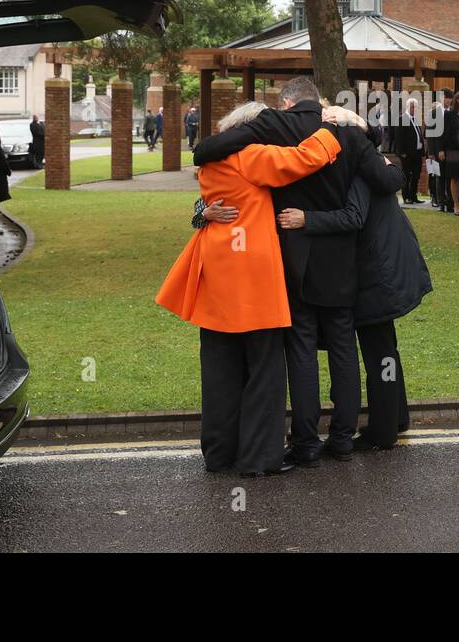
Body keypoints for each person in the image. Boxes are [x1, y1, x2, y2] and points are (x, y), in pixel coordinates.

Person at [192, 77, 404, 466]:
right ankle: (342, 438)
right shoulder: (345, 134)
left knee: (301, 351)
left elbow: (208, 153)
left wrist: (204, 209)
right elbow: (389, 180)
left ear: (287, 103)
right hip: (340, 259)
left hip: (291, 257)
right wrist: (364, 130)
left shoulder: (273, 130)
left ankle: (306, 442)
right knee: (343, 349)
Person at [157, 103, 343, 477]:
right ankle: (259, 457)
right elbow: (303, 159)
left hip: (216, 269)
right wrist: (332, 130)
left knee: (220, 370)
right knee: (265, 370)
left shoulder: (211, 161)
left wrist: (203, 213)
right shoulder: (251, 155)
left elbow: (209, 202)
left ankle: (220, 453)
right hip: (252, 276)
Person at [278, 155, 432, 451]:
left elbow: (354, 217)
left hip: (378, 269)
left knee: (380, 354)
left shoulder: (358, 170)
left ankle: (383, 432)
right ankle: (396, 417)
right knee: (386, 348)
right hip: (387, 260)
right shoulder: (373, 162)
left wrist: (307, 219)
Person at [439, 90, 459, 215]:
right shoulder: (449, 114)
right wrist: (441, 149)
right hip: (453, 149)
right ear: (458, 100)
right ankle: (456, 204)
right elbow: (443, 132)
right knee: (454, 178)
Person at [394, 96, 427, 205]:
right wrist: (401, 152)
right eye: (413, 107)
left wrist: (422, 151)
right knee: (407, 175)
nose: (414, 109)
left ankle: (413, 196)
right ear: (407, 107)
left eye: (416, 107)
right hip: (406, 153)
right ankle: (406, 196)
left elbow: (418, 135)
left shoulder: (415, 119)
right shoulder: (402, 119)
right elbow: (398, 136)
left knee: (416, 175)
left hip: (417, 152)